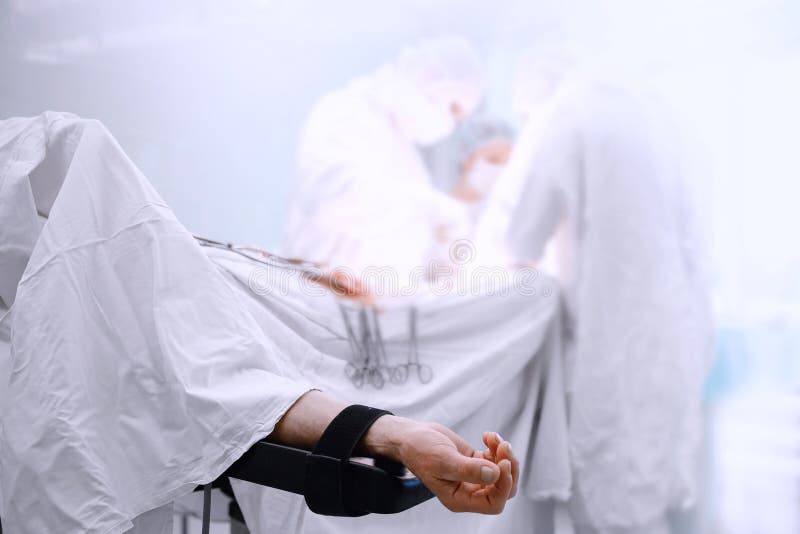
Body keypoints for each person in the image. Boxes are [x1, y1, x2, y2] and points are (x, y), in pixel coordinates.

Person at [0, 112, 518, 534]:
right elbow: (211, 370)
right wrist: (391, 433)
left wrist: (308, 273)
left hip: (291, 298)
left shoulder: (54, 174)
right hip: (292, 322)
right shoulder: (62, 196)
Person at [489, 48, 713, 533]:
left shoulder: (566, 117)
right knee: (651, 486)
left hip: (610, 343)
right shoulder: (651, 111)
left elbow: (521, 238)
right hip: (674, 335)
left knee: (610, 494)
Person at [283, 36, 483, 290]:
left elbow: (409, 244)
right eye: (454, 109)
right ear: (429, 74)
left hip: (376, 315)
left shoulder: (404, 151)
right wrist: (431, 207)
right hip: (322, 305)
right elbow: (328, 197)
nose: (451, 125)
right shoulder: (343, 111)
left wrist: (445, 256)